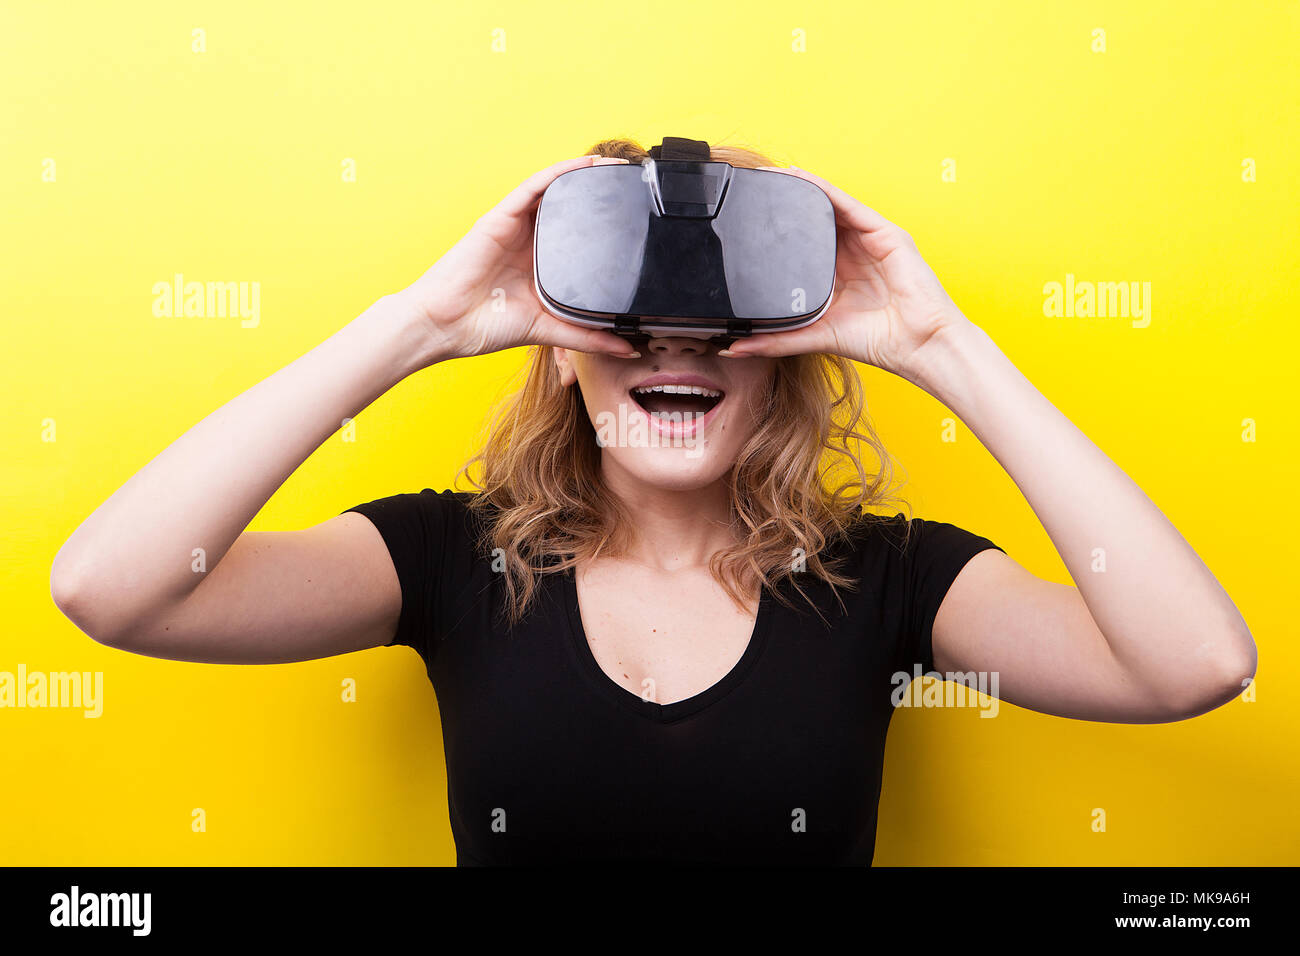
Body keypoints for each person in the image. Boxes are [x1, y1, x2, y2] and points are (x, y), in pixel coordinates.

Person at [50, 138, 1257, 865]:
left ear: (781, 345)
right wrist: (421, 322)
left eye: (723, 320)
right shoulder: (449, 559)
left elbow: (1192, 664)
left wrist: (942, 344)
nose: (674, 345)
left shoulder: (888, 579)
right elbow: (111, 587)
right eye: (621, 317)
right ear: (557, 344)